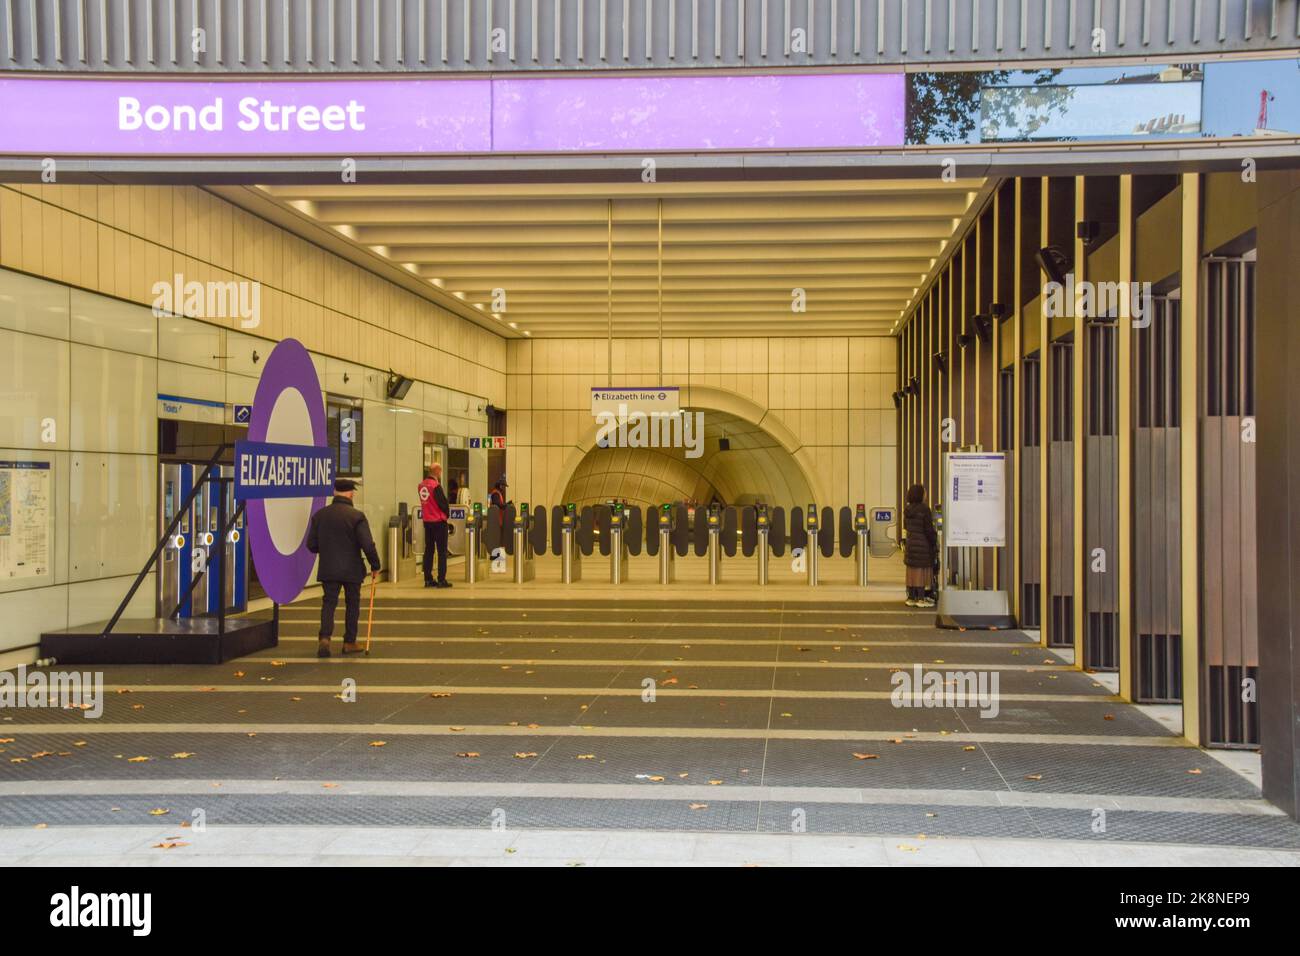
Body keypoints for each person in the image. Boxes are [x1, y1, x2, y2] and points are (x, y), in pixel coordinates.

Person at [307, 478, 381, 657]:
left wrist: (327, 550)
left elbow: (311, 545)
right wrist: (375, 564)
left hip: (328, 567)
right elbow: (367, 544)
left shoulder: (320, 515)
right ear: (351, 494)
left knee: (329, 603)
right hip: (352, 568)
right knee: (352, 603)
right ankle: (349, 642)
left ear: (334, 493)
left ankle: (325, 639)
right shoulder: (357, 516)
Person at [902, 483, 938, 608]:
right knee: (922, 572)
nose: (925, 494)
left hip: (911, 544)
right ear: (920, 495)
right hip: (923, 545)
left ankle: (911, 597)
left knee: (912, 571)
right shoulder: (924, 509)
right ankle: (921, 599)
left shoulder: (907, 510)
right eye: (924, 492)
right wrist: (934, 541)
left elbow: (906, 527)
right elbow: (928, 530)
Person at [418, 463, 452, 588]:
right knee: (442, 551)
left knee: (429, 550)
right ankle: (441, 579)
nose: (440, 473)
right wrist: (446, 514)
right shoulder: (435, 486)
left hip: (427, 522)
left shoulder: (421, 485)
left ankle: (428, 579)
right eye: (440, 471)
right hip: (438, 522)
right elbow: (443, 503)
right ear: (436, 471)